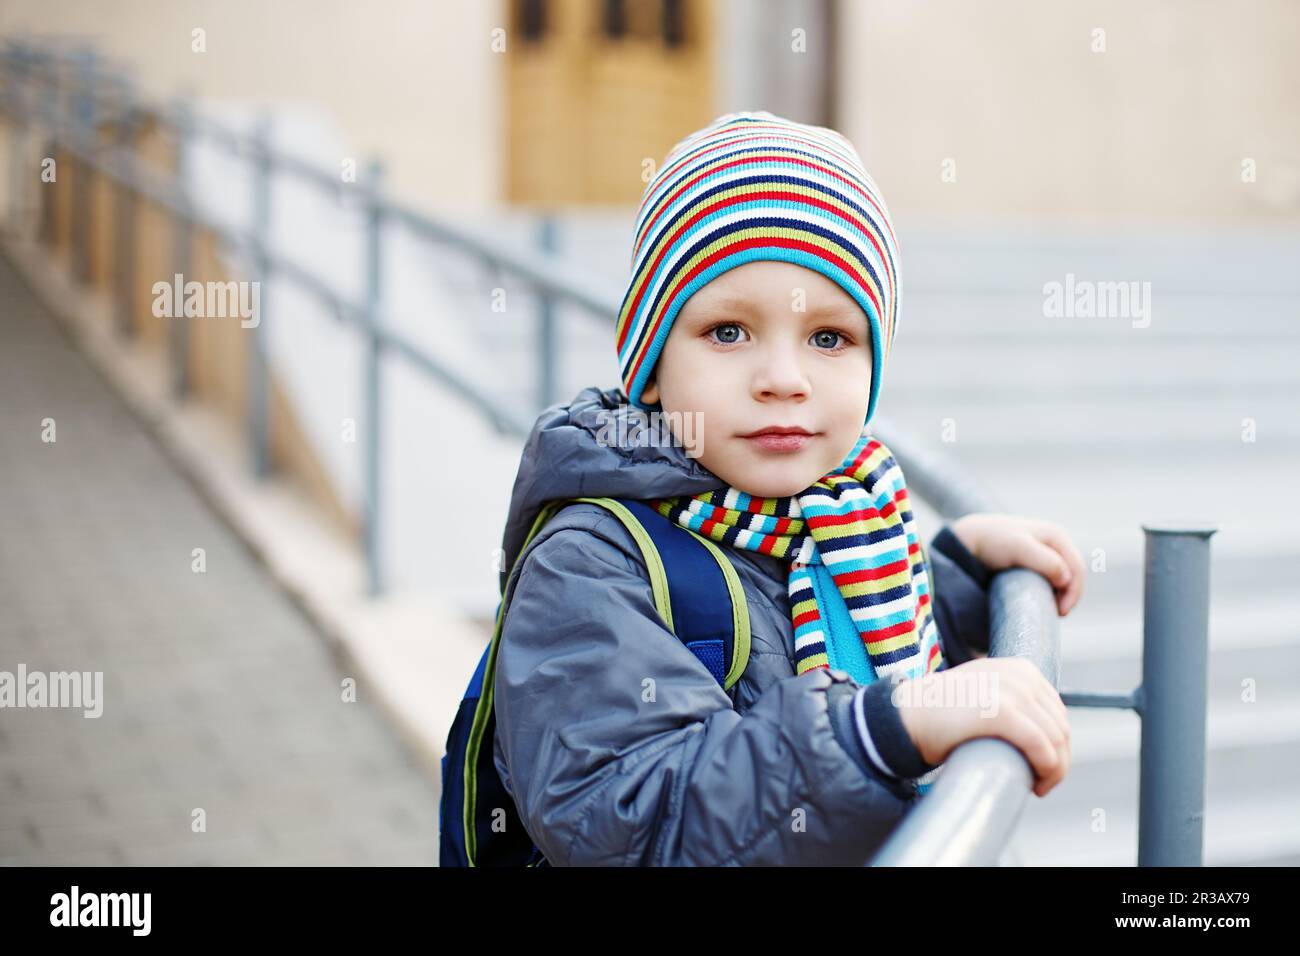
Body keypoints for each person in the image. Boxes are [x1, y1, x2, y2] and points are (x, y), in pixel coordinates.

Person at [491, 111, 1085, 866]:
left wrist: (951, 583)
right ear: (651, 359)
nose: (783, 379)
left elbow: (810, 624)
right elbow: (624, 817)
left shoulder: (843, 513)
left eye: (829, 338)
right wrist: (879, 732)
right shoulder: (591, 559)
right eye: (729, 332)